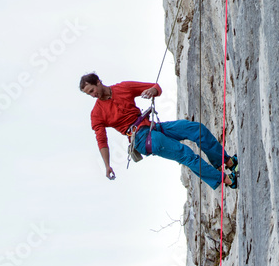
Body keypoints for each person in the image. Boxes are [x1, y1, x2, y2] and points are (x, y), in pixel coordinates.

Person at [79, 73, 238, 190]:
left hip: (152, 127)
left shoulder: (123, 87)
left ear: (99, 82)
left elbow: (155, 87)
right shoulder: (97, 114)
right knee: (185, 153)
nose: (93, 95)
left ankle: (227, 161)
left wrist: (152, 92)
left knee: (196, 130)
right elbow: (102, 141)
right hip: (142, 139)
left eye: (92, 90)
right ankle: (227, 180)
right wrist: (107, 165)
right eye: (89, 94)